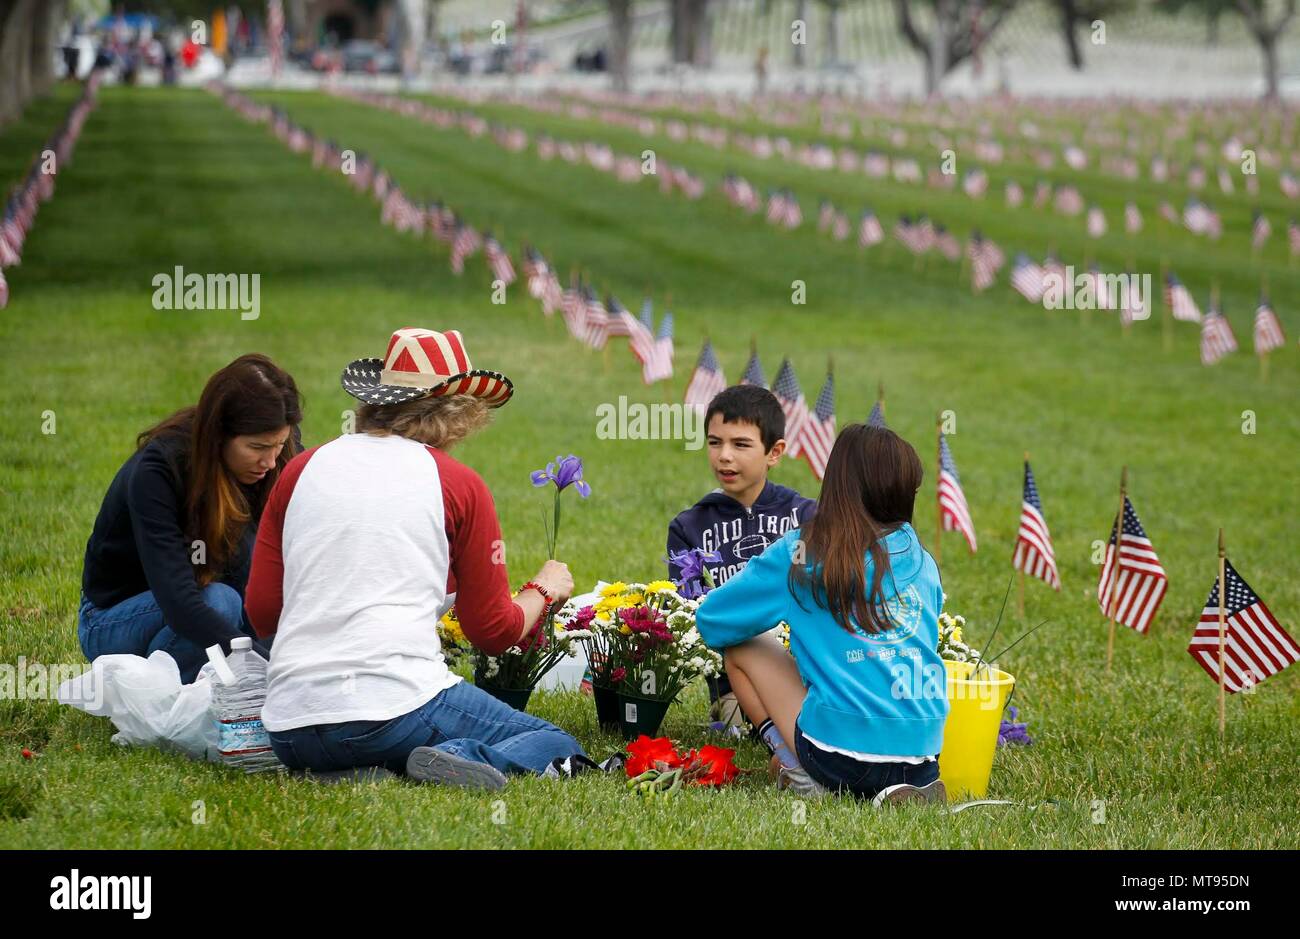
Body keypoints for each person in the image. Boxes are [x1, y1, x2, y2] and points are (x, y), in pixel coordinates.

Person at [246, 327, 606, 789]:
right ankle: (444, 758)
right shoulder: (457, 483)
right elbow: (493, 632)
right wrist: (543, 589)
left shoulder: (299, 468)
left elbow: (261, 612)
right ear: (458, 413)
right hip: (390, 710)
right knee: (553, 742)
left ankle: (358, 772)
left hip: (289, 726)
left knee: (353, 735)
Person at [695, 424, 949, 805]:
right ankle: (899, 784)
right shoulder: (923, 561)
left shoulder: (801, 552)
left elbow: (714, 622)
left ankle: (800, 772)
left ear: (836, 484)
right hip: (925, 759)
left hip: (841, 757)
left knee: (742, 648)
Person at [79, 354, 302, 683]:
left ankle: (203, 681)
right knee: (220, 601)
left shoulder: (274, 456)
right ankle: (158, 689)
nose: (270, 460)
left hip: (209, 597)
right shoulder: (159, 471)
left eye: (280, 444)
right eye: (257, 447)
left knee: (270, 595)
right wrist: (267, 668)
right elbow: (180, 604)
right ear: (218, 434)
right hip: (115, 619)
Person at [666, 385, 816, 731]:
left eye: (741, 444)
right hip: (735, 682)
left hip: (809, 678)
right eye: (715, 442)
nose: (724, 456)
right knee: (742, 724)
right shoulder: (689, 526)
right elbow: (687, 609)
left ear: (774, 452)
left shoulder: (808, 517)